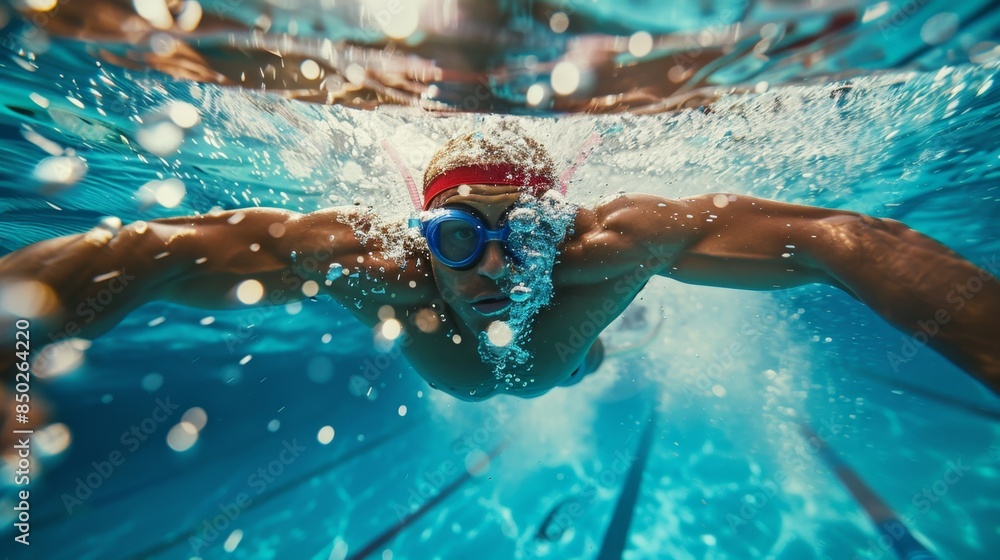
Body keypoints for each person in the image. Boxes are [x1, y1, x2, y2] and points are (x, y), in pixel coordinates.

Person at [1, 122, 999, 402]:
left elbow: (842, 237)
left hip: (566, 344)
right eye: (455, 238)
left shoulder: (611, 245)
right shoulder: (370, 262)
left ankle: (616, 340)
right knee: (508, 372)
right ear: (420, 236)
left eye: (525, 234)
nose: (492, 265)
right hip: (468, 357)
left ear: (560, 227)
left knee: (567, 359)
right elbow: (151, 249)